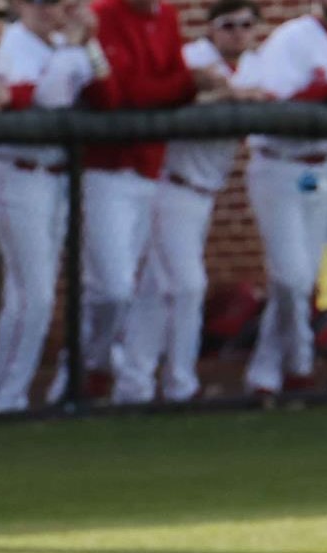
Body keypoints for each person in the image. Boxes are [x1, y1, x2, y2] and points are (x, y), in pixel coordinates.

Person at [55, 0, 222, 402]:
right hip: (102, 167)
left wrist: (178, 87)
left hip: (148, 167)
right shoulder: (104, 14)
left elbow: (170, 83)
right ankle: (83, 370)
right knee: (110, 287)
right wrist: (180, 87)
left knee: (126, 286)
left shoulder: (165, 16)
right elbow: (120, 94)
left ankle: (89, 374)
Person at [111, 0, 270, 404]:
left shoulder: (255, 64)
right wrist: (223, 95)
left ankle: (135, 383)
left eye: (245, 25)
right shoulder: (193, 60)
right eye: (228, 25)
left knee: (155, 290)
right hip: (171, 184)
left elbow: (273, 97)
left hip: (204, 192)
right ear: (211, 29)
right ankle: (181, 386)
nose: (236, 33)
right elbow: (174, 98)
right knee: (186, 286)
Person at [238, 0, 327, 397]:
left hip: (323, 169)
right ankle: (298, 365)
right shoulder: (291, 40)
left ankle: (264, 373)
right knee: (292, 278)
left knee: (300, 279)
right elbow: (275, 104)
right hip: (280, 165)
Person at [0, 0, 100, 413]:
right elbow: (47, 97)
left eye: (63, 3)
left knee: (33, 293)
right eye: (44, 3)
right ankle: (1, 396)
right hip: (19, 173)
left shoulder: (68, 44)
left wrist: (89, 44)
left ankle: (8, 392)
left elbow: (105, 85)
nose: (55, 11)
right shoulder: (12, 44)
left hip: (60, 177)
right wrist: (72, 52)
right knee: (35, 295)